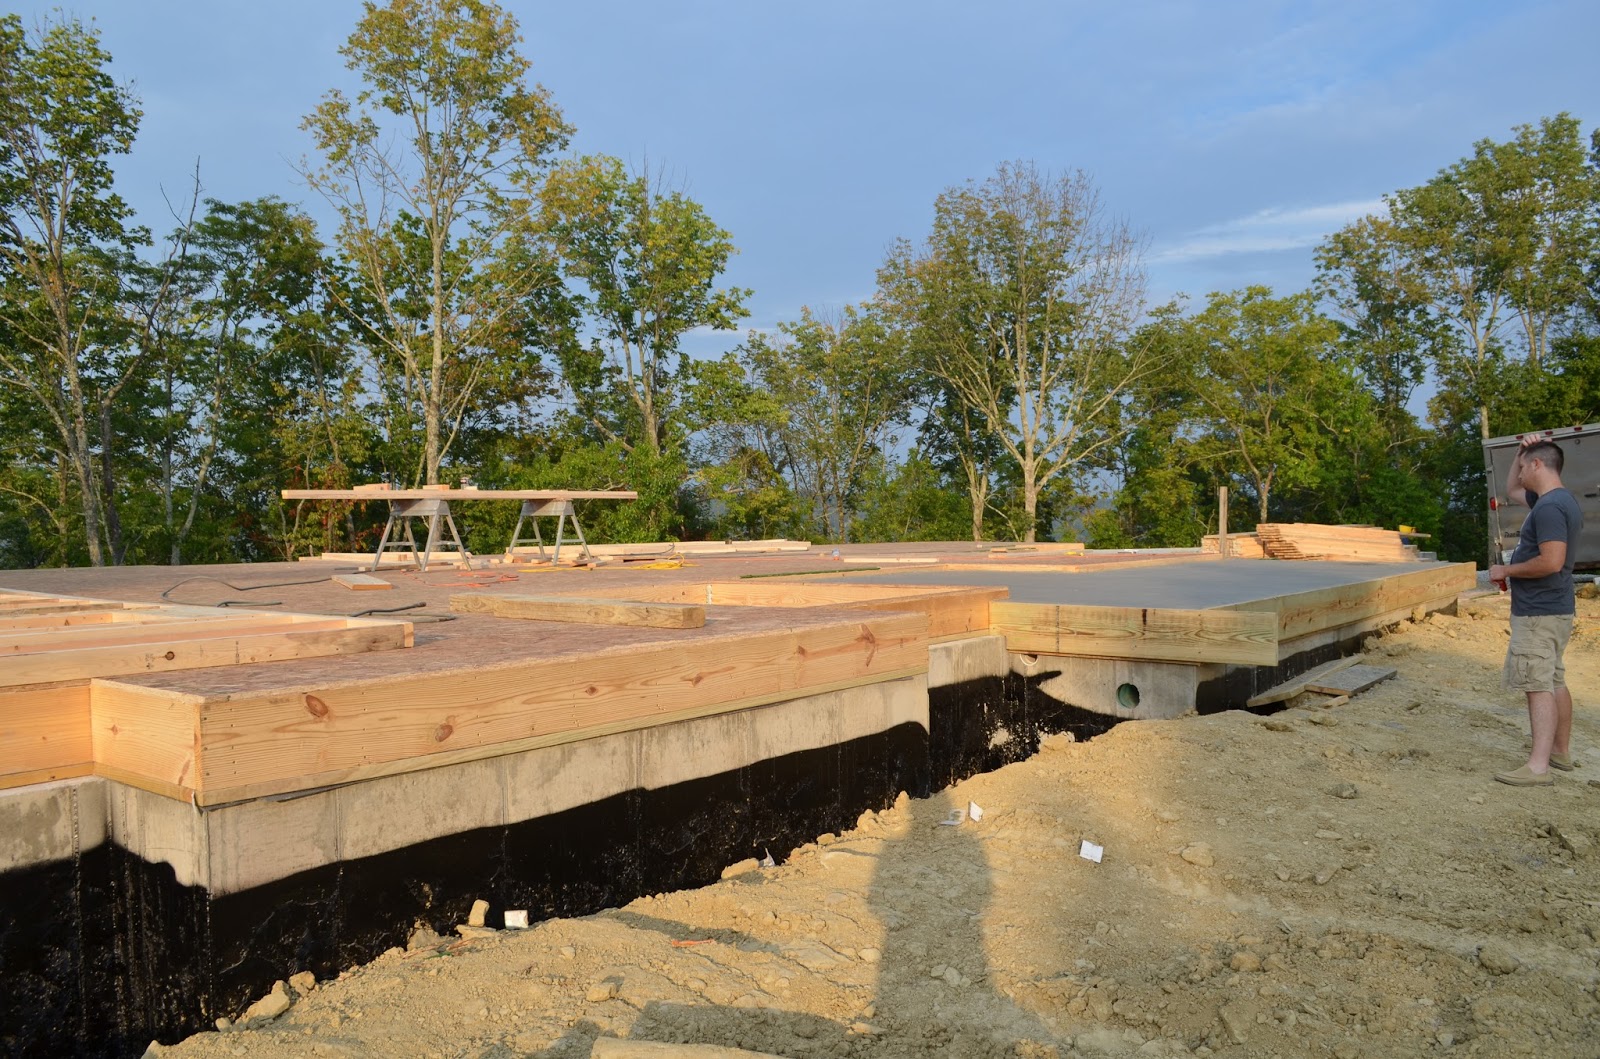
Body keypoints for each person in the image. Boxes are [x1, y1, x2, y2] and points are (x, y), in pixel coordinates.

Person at [1487, 437, 1584, 786]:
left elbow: (1552, 561)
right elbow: (1511, 487)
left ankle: (1538, 767)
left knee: (1537, 683)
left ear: (1539, 465)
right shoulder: (1557, 500)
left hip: (1538, 612)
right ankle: (1559, 752)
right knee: (1554, 679)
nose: (1521, 473)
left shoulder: (1548, 508)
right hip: (1554, 608)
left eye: (1525, 465)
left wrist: (1506, 571)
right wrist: (1518, 453)